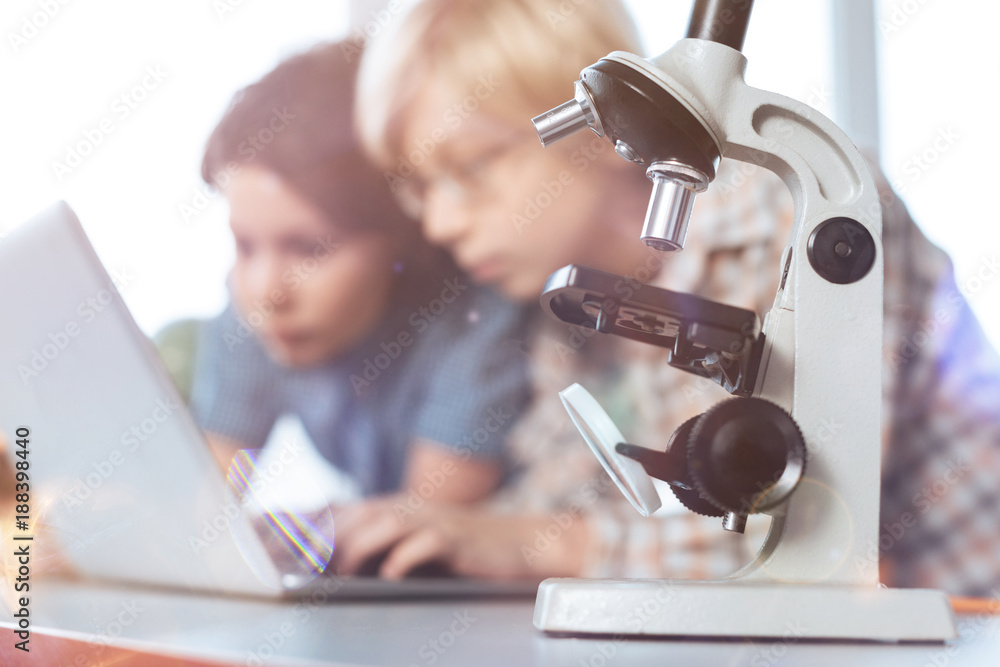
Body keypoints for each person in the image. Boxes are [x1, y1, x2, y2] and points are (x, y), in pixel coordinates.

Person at [336, 0, 1000, 597]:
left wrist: (538, 544)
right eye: (421, 187)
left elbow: (795, 532)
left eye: (472, 166)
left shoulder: (792, 219)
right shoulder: (568, 312)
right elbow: (559, 498)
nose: (440, 224)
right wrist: (427, 530)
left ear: (597, 122)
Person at [190, 41, 531, 510]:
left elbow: (420, 531)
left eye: (308, 249)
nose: (267, 291)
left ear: (404, 229)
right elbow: (204, 510)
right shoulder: (257, 314)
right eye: (244, 246)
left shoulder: (475, 321)